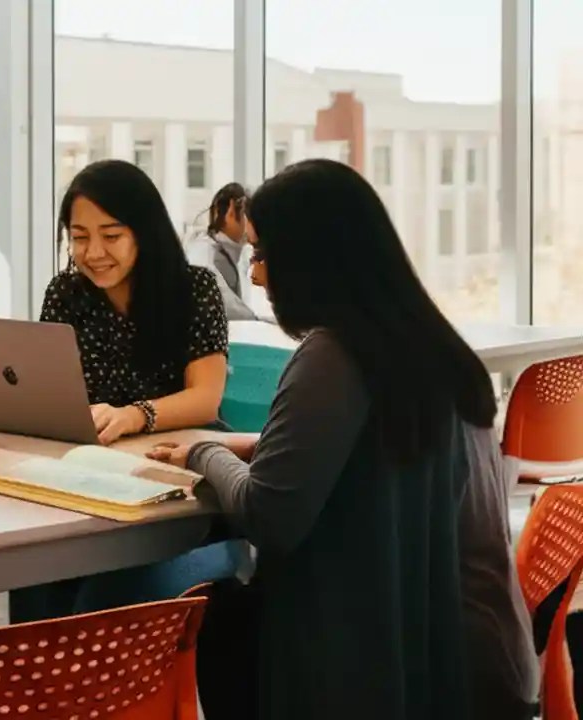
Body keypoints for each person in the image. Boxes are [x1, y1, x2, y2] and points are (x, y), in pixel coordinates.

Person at [149, 159, 538, 720]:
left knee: (218, 616)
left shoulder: (333, 355)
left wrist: (206, 452)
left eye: (262, 254)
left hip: (389, 680)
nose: (255, 276)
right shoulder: (431, 346)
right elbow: (375, 460)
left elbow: (268, 514)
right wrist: (257, 446)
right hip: (485, 668)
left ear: (312, 260)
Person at [9, 159, 235, 625]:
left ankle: (90, 679)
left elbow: (205, 399)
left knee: (96, 592)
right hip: (96, 468)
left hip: (177, 474)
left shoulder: (195, 289)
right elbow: (53, 393)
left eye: (111, 236)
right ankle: (46, 683)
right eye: (79, 237)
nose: (93, 252)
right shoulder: (65, 294)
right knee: (31, 568)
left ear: (144, 232)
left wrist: (135, 414)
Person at [185, 182, 257, 321]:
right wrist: (254, 321)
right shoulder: (205, 253)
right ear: (230, 212)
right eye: (247, 215)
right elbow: (222, 302)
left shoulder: (234, 252)